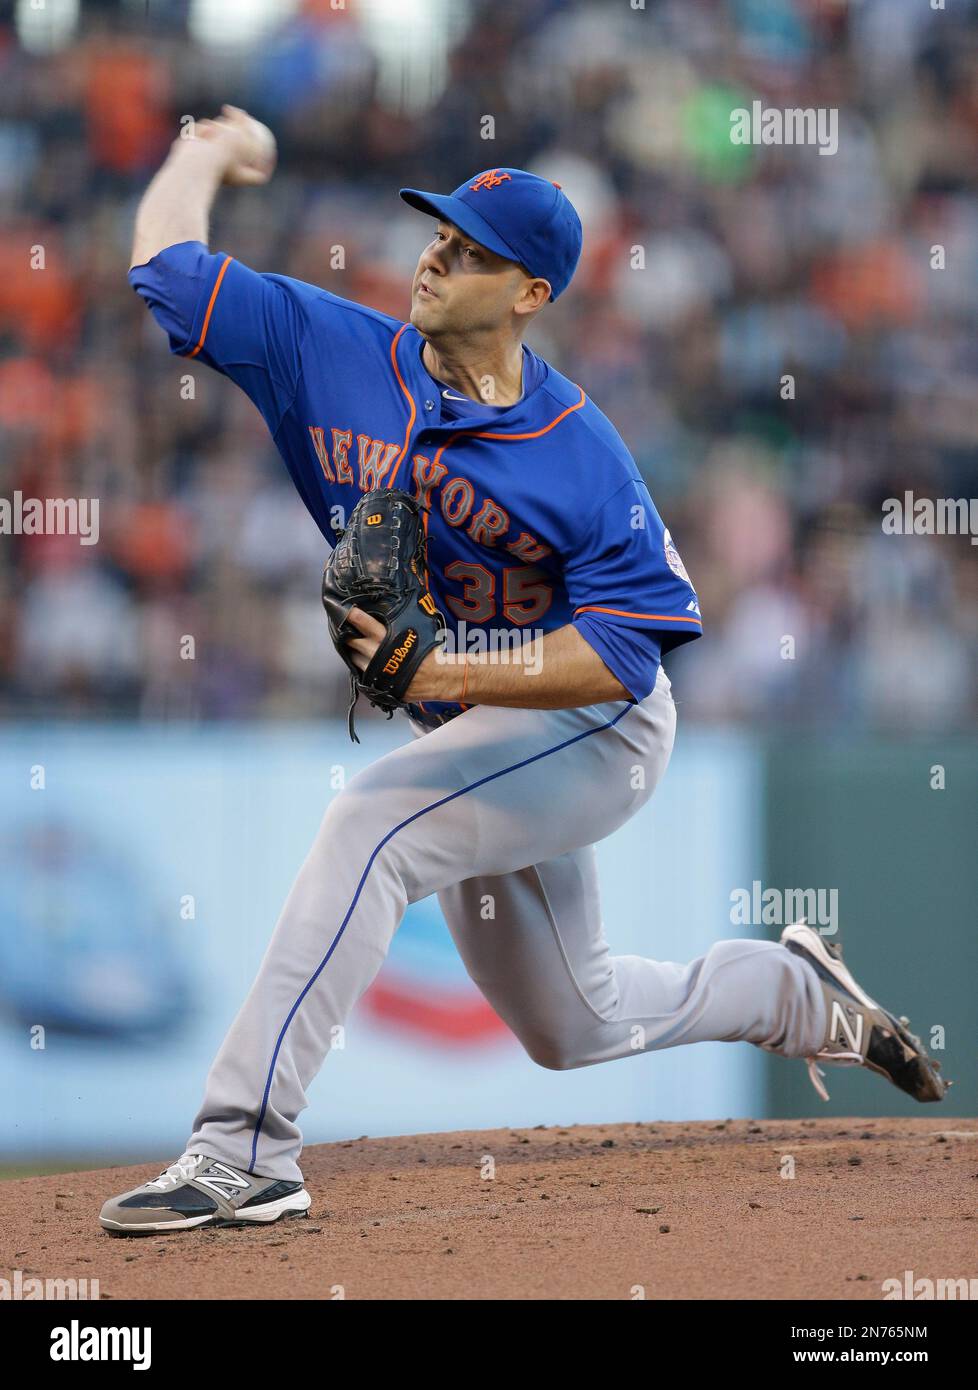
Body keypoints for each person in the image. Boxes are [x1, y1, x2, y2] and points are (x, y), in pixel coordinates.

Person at [100, 107, 945, 1235]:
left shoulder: (580, 454)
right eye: (439, 236)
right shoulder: (328, 346)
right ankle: (799, 995)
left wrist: (446, 659)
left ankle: (241, 1147)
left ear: (531, 294)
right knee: (572, 1025)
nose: (437, 257)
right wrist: (199, 152)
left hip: (601, 729)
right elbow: (164, 267)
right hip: (478, 734)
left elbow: (620, 647)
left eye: (471, 251)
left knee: (370, 827)